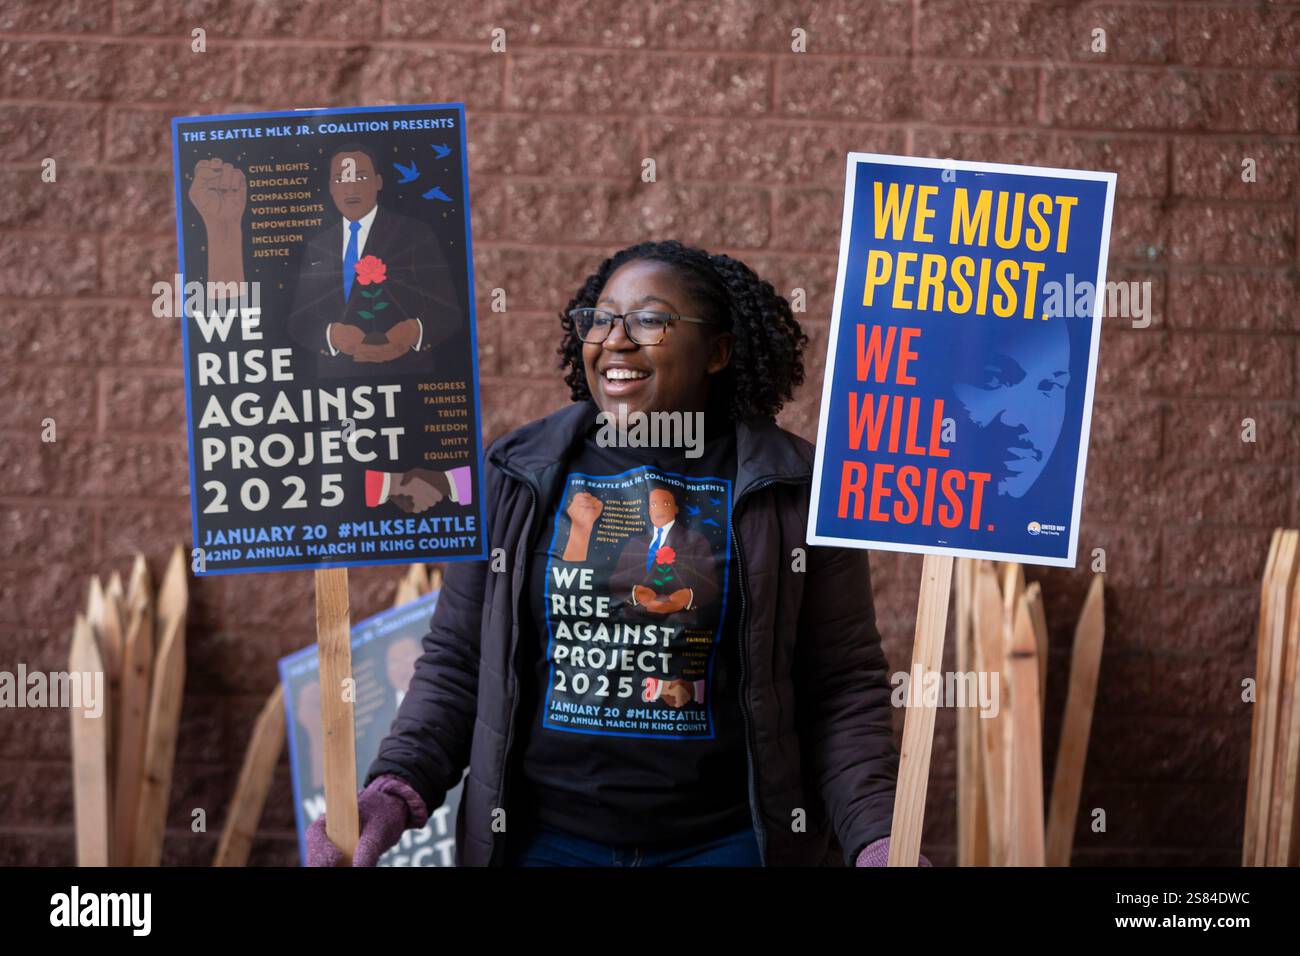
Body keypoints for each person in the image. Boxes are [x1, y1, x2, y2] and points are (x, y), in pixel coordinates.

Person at [308, 239, 929, 867]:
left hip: (728, 844)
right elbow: (459, 662)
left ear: (718, 351)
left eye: (650, 320)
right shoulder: (513, 473)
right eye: (600, 319)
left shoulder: (793, 489)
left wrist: (877, 838)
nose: (616, 340)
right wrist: (393, 789)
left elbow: (841, 685)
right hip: (542, 842)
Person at [287, 143, 462, 376]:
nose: (350, 189)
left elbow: (448, 311)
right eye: (341, 179)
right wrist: (331, 335)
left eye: (360, 177)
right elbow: (300, 321)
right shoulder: (317, 246)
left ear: (378, 182)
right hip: (338, 383)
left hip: (408, 377)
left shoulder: (415, 234)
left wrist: (414, 332)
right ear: (330, 187)